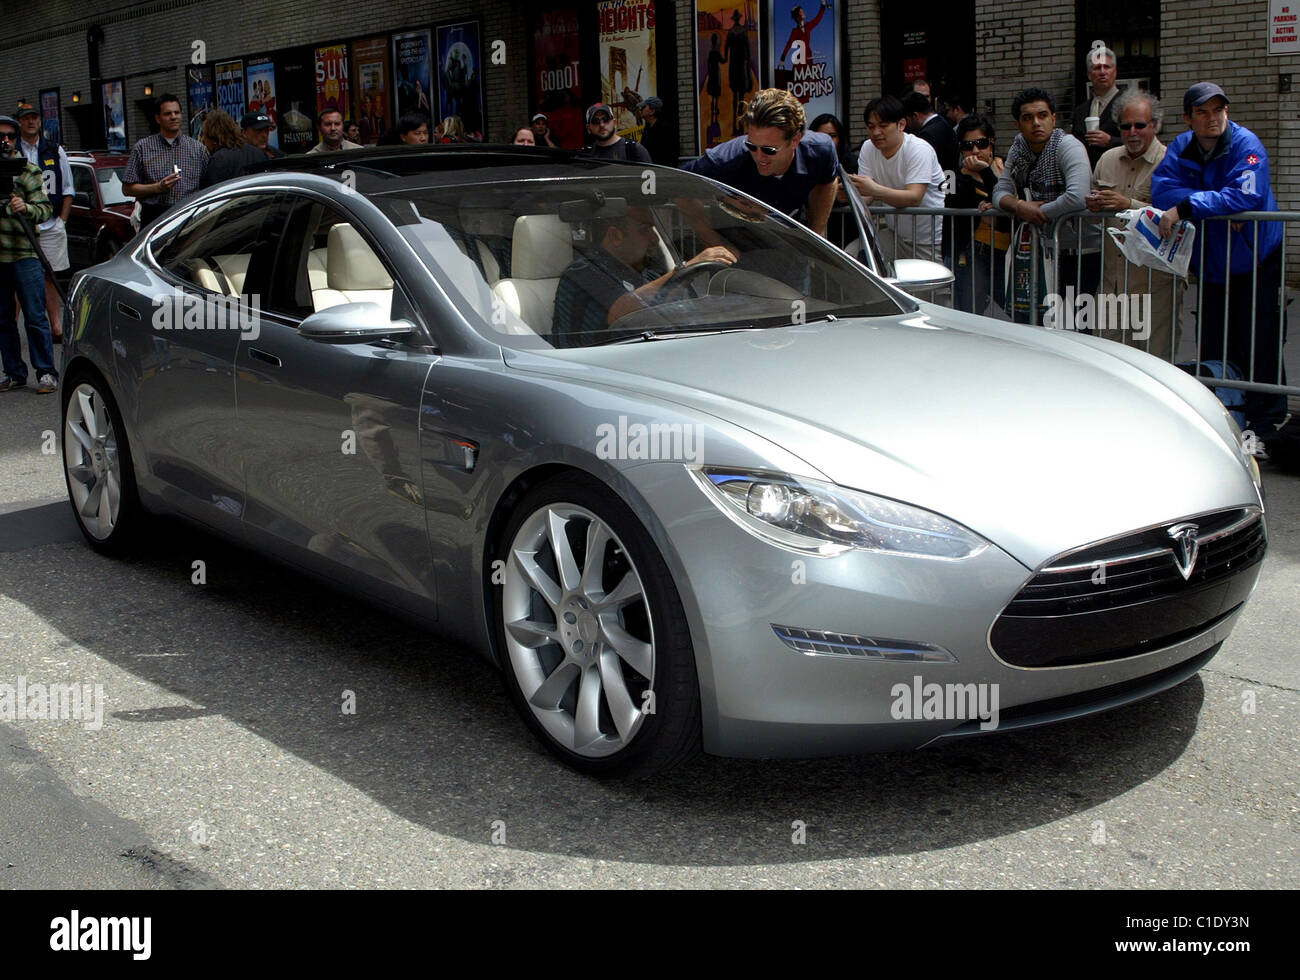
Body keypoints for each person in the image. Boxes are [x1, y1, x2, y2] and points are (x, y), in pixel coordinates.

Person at [1152, 82, 1288, 436]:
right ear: (1188, 118)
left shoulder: (1248, 145)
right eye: (1202, 112)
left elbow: (1245, 196)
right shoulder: (1181, 146)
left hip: (1258, 259)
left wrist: (1188, 206)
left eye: (1218, 110)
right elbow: (1162, 189)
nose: (1212, 118)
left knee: (1259, 338)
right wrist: (1211, 200)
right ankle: (1225, 416)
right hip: (1212, 261)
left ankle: (1267, 422)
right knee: (1215, 341)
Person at [552, 206, 736, 345]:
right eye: (645, 230)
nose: (654, 239)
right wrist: (683, 270)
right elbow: (619, 314)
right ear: (615, 235)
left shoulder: (648, 275)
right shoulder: (584, 272)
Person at [1086, 89, 1180, 358]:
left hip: (1155, 285)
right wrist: (1093, 206)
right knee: (1107, 361)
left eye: (1140, 125)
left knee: (1155, 364)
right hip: (1112, 283)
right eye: (1125, 126)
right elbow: (1096, 204)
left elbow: (1176, 217)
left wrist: (1128, 204)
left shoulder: (1171, 162)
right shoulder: (1107, 159)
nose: (1133, 132)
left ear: (1155, 125)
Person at [683, 88, 838, 237]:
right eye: (751, 146)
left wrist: (816, 234)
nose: (758, 157)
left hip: (790, 240)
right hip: (736, 241)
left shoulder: (820, 150)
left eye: (769, 150)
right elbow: (679, 186)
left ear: (795, 140)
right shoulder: (725, 159)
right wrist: (711, 240)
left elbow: (827, 182)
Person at [993, 87, 1092, 316]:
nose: (1036, 123)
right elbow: (999, 192)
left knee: (1074, 324)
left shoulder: (1068, 146)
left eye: (1042, 115)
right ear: (1018, 124)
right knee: (1036, 321)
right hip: (1040, 249)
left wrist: (1038, 212)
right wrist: (1019, 207)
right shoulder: (1019, 148)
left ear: (1053, 118)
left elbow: (1078, 196)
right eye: (1028, 118)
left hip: (1077, 251)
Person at [849, 94, 946, 262]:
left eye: (883, 125)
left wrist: (874, 189)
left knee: (925, 287)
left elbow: (914, 197)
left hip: (927, 240)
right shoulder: (868, 148)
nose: (876, 132)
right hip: (895, 235)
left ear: (901, 124)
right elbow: (866, 196)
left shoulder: (918, 149)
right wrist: (846, 194)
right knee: (852, 257)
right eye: (871, 127)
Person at [0, 115, 58, 394]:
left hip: (25, 253)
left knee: (35, 315)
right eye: (1, 136)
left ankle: (46, 371)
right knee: (3, 319)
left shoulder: (28, 170)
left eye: (11, 136)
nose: (6, 141)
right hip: (0, 257)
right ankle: (13, 372)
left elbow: (46, 210)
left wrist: (26, 207)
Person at [15, 103, 72, 342]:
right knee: (17, 277)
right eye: (26, 118)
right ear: (20, 122)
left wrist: (62, 221)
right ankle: (11, 325)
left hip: (51, 224)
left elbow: (68, 188)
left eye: (34, 117)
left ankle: (56, 326)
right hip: (20, 225)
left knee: (51, 275)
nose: (31, 122)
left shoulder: (54, 150)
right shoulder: (12, 151)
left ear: (40, 121)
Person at [950, 114, 1009, 315]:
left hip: (1009, 252)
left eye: (981, 143)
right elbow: (955, 203)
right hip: (974, 254)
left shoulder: (1007, 166)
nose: (975, 151)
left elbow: (1004, 202)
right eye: (968, 146)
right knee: (971, 314)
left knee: (1013, 314)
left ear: (992, 143)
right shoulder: (956, 177)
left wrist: (987, 174)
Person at [122, 92, 209, 225]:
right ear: (158, 118)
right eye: (168, 114)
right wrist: (158, 187)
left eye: (177, 112)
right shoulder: (143, 148)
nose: (173, 117)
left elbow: (208, 186)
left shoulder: (198, 149)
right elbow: (127, 189)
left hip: (189, 215)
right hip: (155, 216)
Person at [1071, 42, 1124, 169]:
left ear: (1115, 72)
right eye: (1097, 68)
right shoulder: (1080, 111)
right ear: (1089, 75)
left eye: (1107, 67)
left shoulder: (1128, 105)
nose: (1102, 72)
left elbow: (1141, 140)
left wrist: (1110, 141)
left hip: (1119, 173)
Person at [199, 110, 265, 188]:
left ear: (212, 136)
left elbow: (210, 192)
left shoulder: (218, 160)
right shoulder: (259, 153)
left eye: (204, 135)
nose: (202, 140)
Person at [903, 90, 958, 176]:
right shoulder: (943, 122)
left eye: (907, 119)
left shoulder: (926, 135)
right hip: (950, 180)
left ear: (915, 116)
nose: (907, 124)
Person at [581, 103, 651, 162]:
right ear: (588, 128)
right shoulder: (585, 155)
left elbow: (651, 176)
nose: (602, 125)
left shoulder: (634, 150)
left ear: (614, 123)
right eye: (596, 121)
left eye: (606, 119)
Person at [724, 10, 755, 132]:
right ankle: (740, 120)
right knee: (741, 94)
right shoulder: (743, 31)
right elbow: (747, 49)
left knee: (735, 94)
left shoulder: (731, 32)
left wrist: (725, 59)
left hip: (733, 65)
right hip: (742, 65)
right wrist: (748, 63)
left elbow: (726, 48)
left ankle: (734, 123)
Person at [778, 2, 829, 68]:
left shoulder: (808, 26)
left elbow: (818, 18)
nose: (804, 13)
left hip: (809, 57)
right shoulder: (795, 31)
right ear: (797, 15)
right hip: (800, 60)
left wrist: (823, 5)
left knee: (810, 77)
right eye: (801, 12)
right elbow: (789, 44)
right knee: (799, 77)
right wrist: (782, 58)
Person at [636, 97, 676, 165]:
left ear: (652, 111)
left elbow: (667, 154)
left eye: (643, 107)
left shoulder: (665, 129)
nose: (640, 110)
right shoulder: (647, 128)